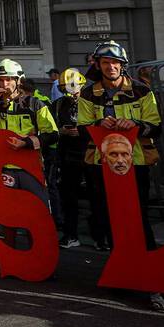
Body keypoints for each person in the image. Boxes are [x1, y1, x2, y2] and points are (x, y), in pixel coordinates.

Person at [76, 39, 164, 311]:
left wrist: (136, 124)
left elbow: (156, 127)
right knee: (109, 220)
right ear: (99, 65)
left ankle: (153, 283)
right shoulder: (88, 93)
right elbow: (81, 129)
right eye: (106, 62)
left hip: (135, 164)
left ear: (123, 65)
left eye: (115, 62)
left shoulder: (141, 91)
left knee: (139, 221)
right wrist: (96, 123)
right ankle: (123, 275)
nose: (111, 67)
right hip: (100, 165)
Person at [0, 59, 58, 256]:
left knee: (37, 214)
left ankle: (40, 258)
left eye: (9, 80)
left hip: (31, 169)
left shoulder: (35, 104)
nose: (4, 85)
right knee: (5, 216)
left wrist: (27, 143)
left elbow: (53, 134)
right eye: (1, 80)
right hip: (4, 170)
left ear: (18, 80)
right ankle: (9, 260)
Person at [55, 68, 98, 249]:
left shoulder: (91, 101)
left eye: (73, 88)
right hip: (68, 156)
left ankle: (100, 236)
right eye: (66, 89)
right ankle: (70, 234)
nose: (71, 93)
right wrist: (61, 131)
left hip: (90, 153)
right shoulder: (58, 104)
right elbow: (50, 127)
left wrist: (81, 132)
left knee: (96, 196)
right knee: (69, 197)